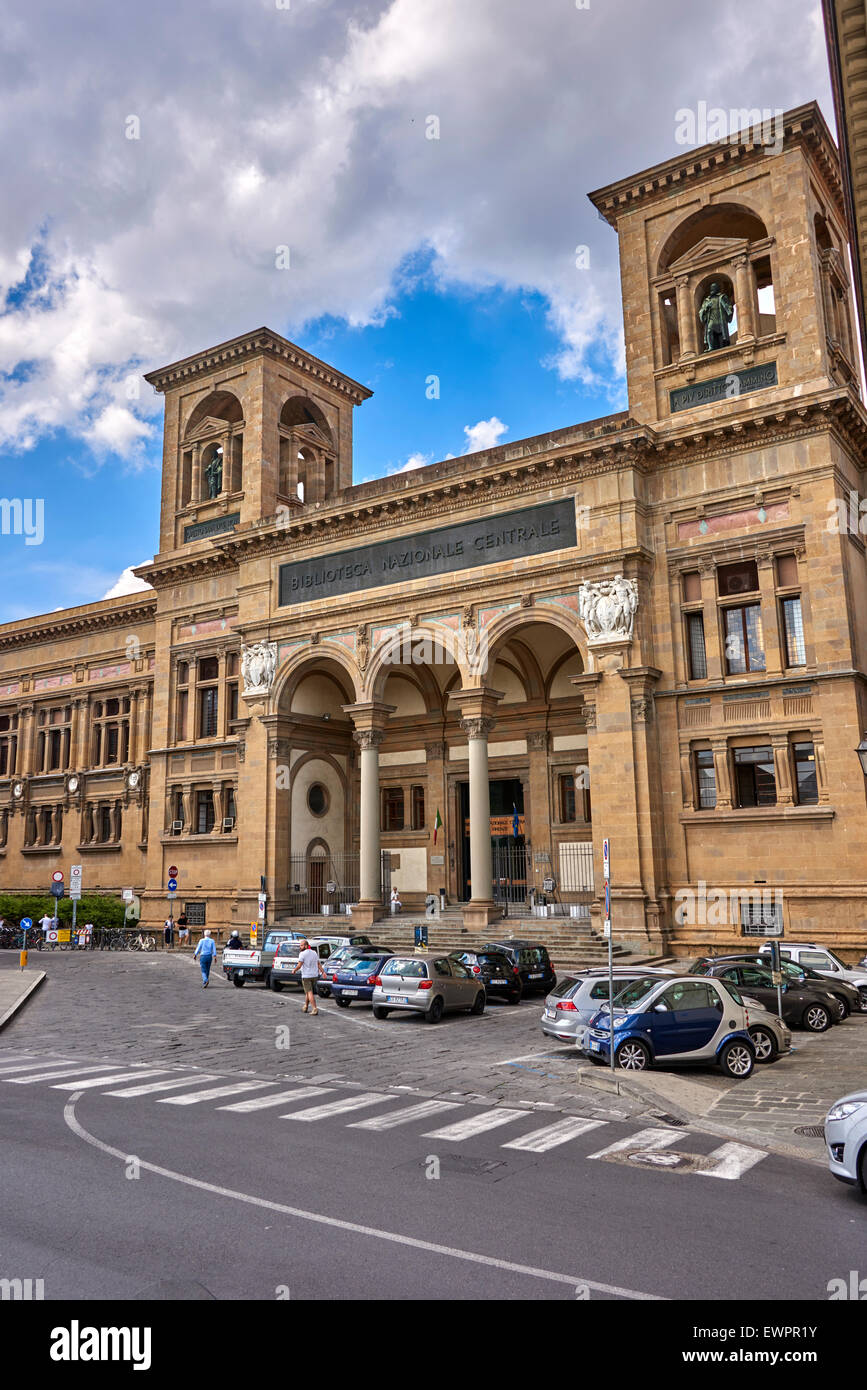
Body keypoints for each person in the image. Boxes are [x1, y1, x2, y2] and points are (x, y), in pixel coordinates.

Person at [297, 939, 323, 1015]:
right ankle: (305, 1006)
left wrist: (294, 970)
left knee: (309, 992)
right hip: (314, 975)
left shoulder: (302, 954)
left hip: (306, 976)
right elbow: (318, 964)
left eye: (301, 945)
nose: (300, 947)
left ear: (306, 945)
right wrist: (323, 972)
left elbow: (299, 965)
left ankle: (314, 1008)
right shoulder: (314, 952)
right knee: (308, 992)